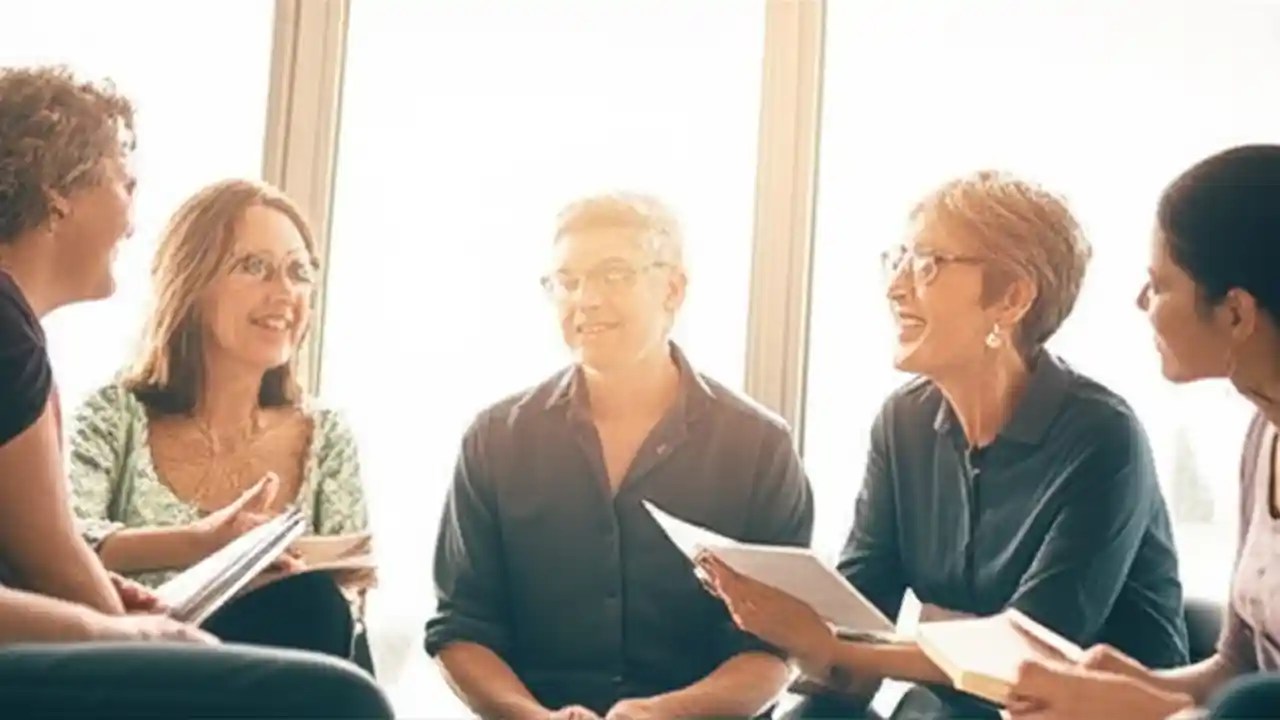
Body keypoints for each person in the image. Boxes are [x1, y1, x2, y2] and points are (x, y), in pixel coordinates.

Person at [700, 171, 1189, 719]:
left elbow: (1030, 657)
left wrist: (831, 644)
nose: (896, 287)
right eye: (899, 259)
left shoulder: (1102, 435)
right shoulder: (903, 423)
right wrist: (792, 628)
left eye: (927, 263)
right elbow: (860, 616)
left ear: (1012, 298)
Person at [0, 64, 390, 718]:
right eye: (124, 182)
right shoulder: (14, 337)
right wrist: (122, 631)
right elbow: (53, 561)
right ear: (58, 194)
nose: (131, 217)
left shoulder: (16, 332)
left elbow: (34, 560)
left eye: (298, 272)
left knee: (313, 615)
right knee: (340, 695)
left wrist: (113, 601)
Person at [425, 192, 814, 719]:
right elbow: (462, 629)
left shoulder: (759, 447)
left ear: (672, 289)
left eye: (613, 275)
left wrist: (662, 715)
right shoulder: (494, 440)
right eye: (567, 281)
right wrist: (534, 717)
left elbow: (773, 649)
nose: (585, 299)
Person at [1002, 144, 1280, 719]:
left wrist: (1149, 713)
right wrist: (1140, 687)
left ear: (1236, 313)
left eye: (1160, 283)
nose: (1140, 301)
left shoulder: (1099, 432)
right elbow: (1236, 668)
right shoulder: (1264, 434)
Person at [66, 178, 376, 669]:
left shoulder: (326, 435)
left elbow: (348, 603)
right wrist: (205, 545)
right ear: (191, 283)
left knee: (315, 605)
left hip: (284, 669)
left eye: (298, 272)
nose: (285, 293)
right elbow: (61, 549)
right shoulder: (114, 415)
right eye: (254, 267)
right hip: (138, 671)